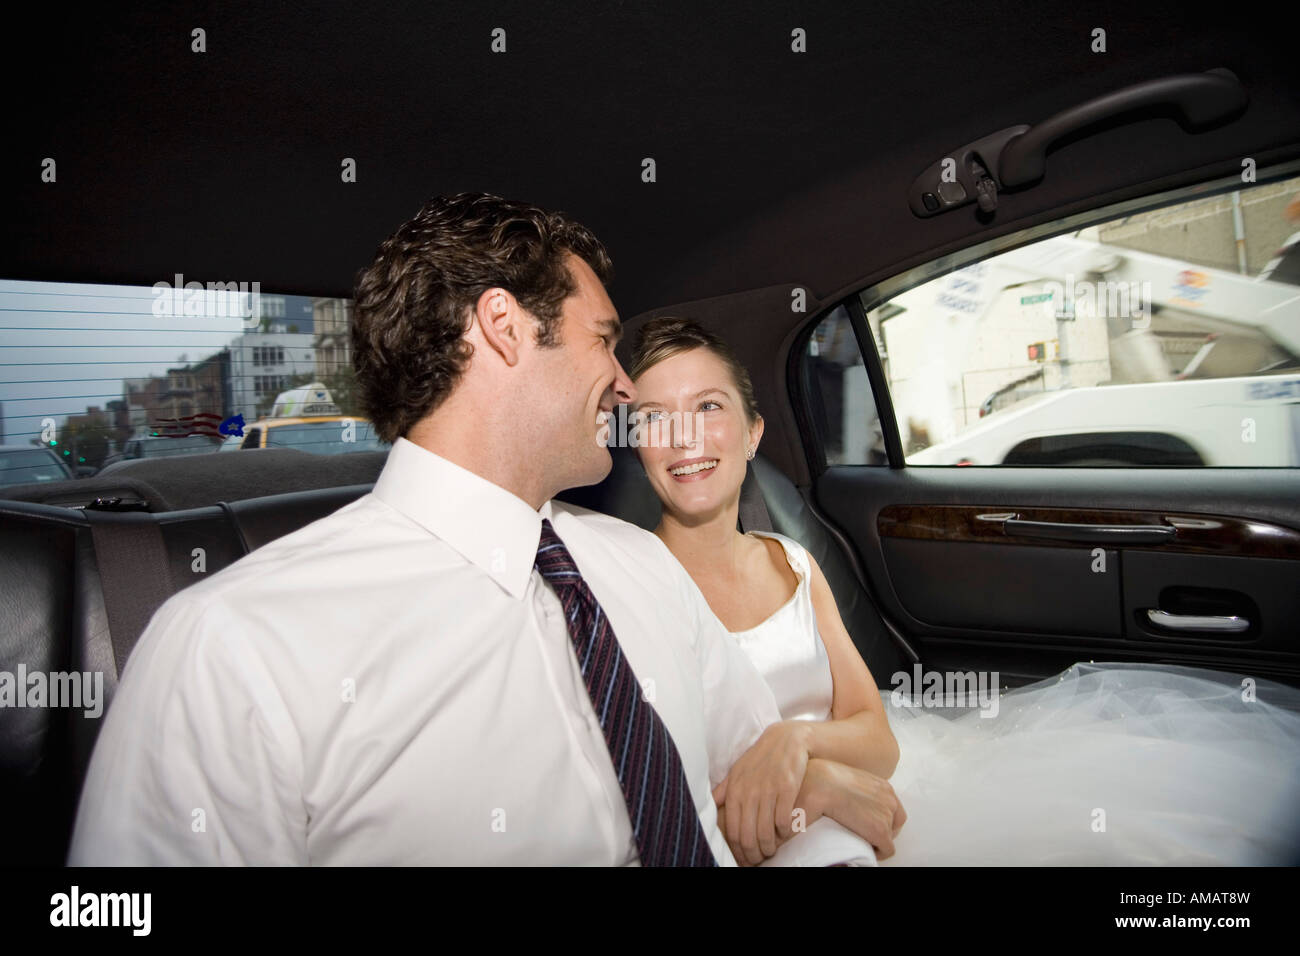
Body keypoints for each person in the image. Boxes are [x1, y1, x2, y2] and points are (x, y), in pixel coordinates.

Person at [67, 193, 894, 866]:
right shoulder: (231, 647)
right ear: (503, 327)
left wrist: (815, 806)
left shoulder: (640, 565)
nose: (621, 382)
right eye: (604, 342)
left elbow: (750, 782)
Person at [627, 315, 1300, 865]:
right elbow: (658, 811)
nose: (685, 435)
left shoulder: (793, 562)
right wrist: (818, 786)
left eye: (708, 407)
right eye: (656, 417)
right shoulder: (627, 587)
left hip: (876, 790)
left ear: (753, 432)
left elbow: (878, 740)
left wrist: (795, 745)